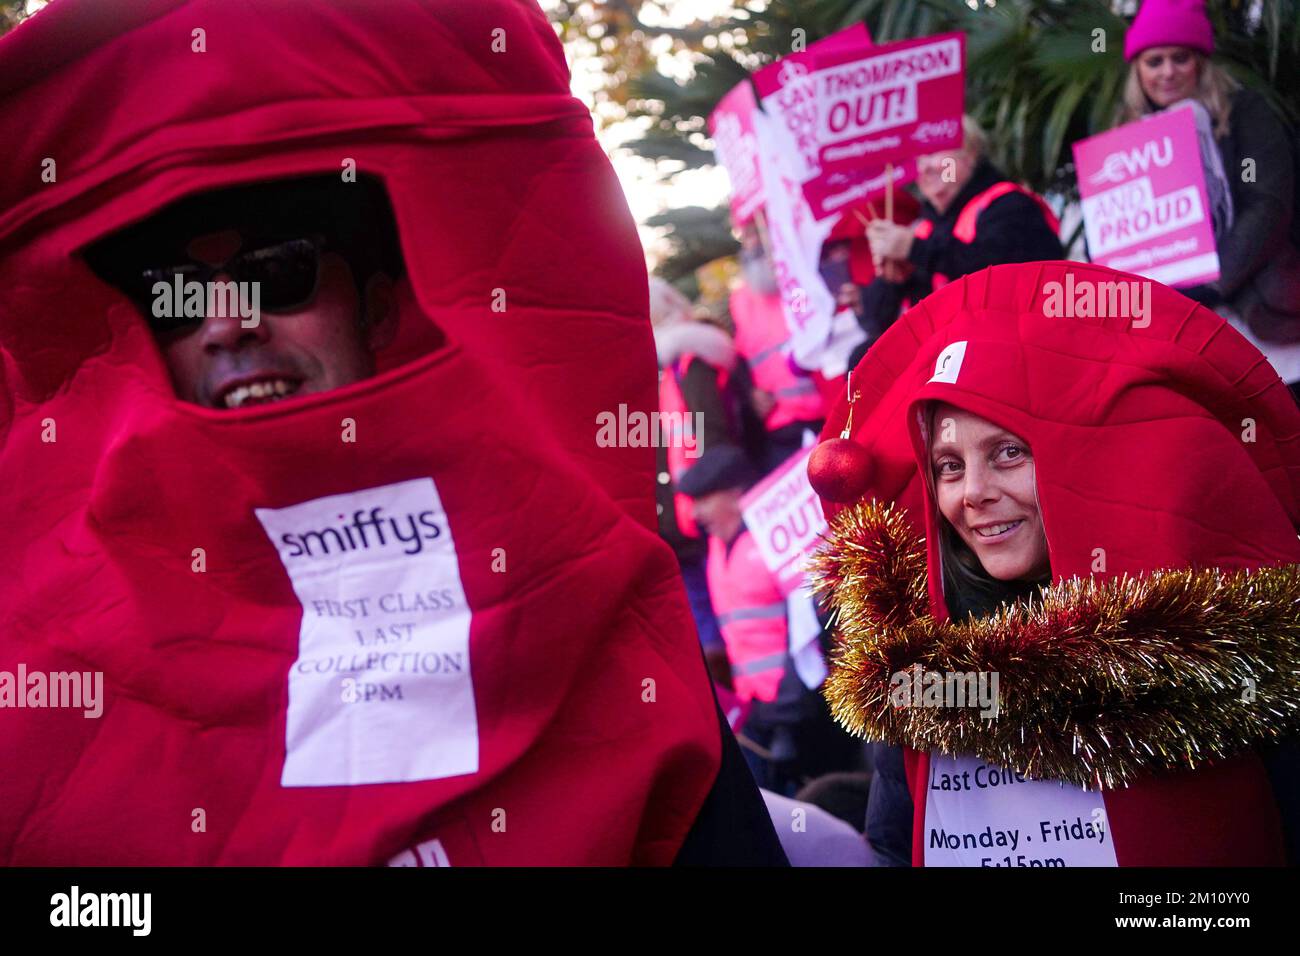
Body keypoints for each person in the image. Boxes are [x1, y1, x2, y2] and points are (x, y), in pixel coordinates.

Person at [0, 0, 787, 867]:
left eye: (278, 275)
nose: (227, 322)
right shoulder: (63, 663)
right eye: (177, 295)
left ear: (375, 310)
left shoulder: (590, 596)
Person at [809, 260, 1300, 866]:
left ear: (1079, 463)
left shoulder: (1219, 652)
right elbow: (891, 846)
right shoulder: (913, 668)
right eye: (949, 465)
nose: (973, 493)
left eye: (1009, 453)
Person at [1116, 0, 1300, 393]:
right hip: (1183, 336)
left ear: (1200, 61)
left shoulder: (1246, 112)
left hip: (1266, 322)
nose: (1167, 72)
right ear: (1138, 71)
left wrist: (1212, 284)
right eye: (1155, 61)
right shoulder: (1128, 141)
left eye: (1180, 58)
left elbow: (1269, 204)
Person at [679, 446, 859, 796]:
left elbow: (813, 627)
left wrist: (791, 704)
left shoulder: (778, 544)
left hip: (799, 713)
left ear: (736, 493)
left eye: (704, 499)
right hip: (757, 715)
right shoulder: (716, 548)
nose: (696, 513)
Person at [861, 116, 1064, 328]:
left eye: (932, 153)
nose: (924, 167)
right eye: (917, 160)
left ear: (970, 153)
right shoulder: (923, 229)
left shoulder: (1009, 204)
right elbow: (876, 322)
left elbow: (1006, 276)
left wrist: (917, 250)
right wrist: (893, 280)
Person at [730, 227, 829, 470]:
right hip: (785, 426)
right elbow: (741, 358)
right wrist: (750, 394)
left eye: (758, 228)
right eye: (747, 235)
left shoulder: (807, 274)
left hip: (833, 406)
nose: (753, 242)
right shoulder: (740, 300)